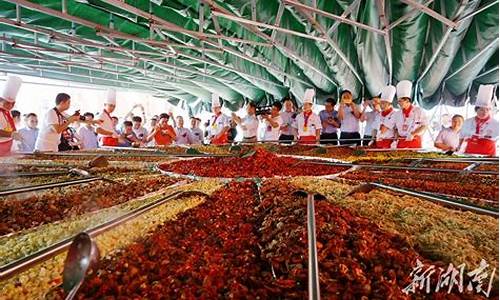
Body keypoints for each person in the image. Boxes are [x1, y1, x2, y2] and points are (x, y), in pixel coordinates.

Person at [460, 84, 499, 156]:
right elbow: (461, 136)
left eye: (487, 110)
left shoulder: (496, 123)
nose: (484, 112)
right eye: (481, 110)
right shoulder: (468, 122)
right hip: (470, 152)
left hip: (488, 153)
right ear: (476, 110)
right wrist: (458, 148)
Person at [394, 80, 428, 149]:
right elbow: (396, 129)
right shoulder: (397, 113)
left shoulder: (419, 111)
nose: (399, 103)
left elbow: (424, 126)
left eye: (401, 101)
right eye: (398, 101)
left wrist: (413, 134)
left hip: (414, 141)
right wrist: (395, 138)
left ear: (407, 101)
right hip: (401, 142)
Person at [0, 76, 23, 156]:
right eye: (7, 103)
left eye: (13, 103)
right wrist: (11, 134)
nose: (10, 106)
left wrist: (14, 133)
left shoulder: (7, 112)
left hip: (7, 145)